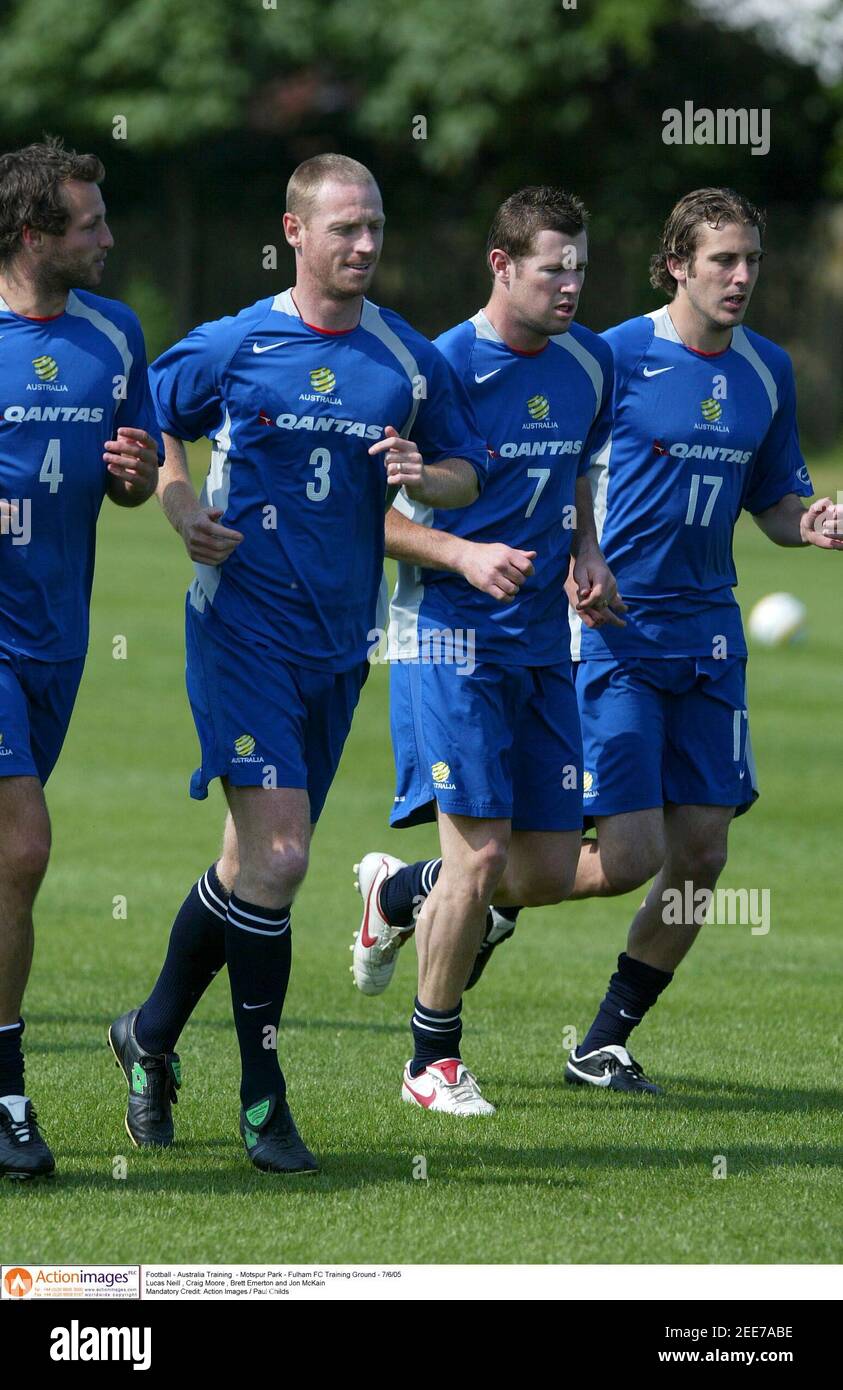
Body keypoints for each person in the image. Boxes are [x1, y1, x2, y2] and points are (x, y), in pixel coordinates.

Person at [109, 154, 488, 1172]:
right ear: (293, 231)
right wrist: (181, 503)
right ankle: (263, 1099)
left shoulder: (408, 361)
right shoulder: (237, 341)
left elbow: (462, 467)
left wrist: (427, 475)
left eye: (374, 227)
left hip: (339, 644)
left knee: (250, 869)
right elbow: (153, 415)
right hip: (239, 629)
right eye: (344, 228)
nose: (363, 245)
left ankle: (147, 1031)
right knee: (280, 859)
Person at [446, 187, 842, 1094]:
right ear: (676, 265)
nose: (741, 277)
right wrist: (572, 555)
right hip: (611, 634)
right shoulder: (608, 356)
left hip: (708, 638)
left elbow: (774, 503)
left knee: (700, 855)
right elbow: (554, 463)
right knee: (625, 858)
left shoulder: (767, 370)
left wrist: (808, 522)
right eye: (721, 261)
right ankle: (430, 893)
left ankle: (603, 1043)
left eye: (751, 260)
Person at [351, 186, 621, 1115]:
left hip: (544, 641)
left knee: (542, 869)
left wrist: (584, 549)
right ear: (501, 266)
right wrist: (462, 551)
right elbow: (367, 518)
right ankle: (432, 1063)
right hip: (446, 637)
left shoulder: (589, 364)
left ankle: (395, 896)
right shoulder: (434, 368)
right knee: (480, 854)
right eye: (554, 267)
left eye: (581, 266)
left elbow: (576, 469)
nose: (572, 285)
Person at [0, 137, 162, 1179]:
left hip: (55, 635)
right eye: (90, 223)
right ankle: (10, 1092)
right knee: (22, 847)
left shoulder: (117, 333)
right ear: (32, 236)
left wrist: (136, 470)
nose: (108, 236)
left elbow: (133, 484)